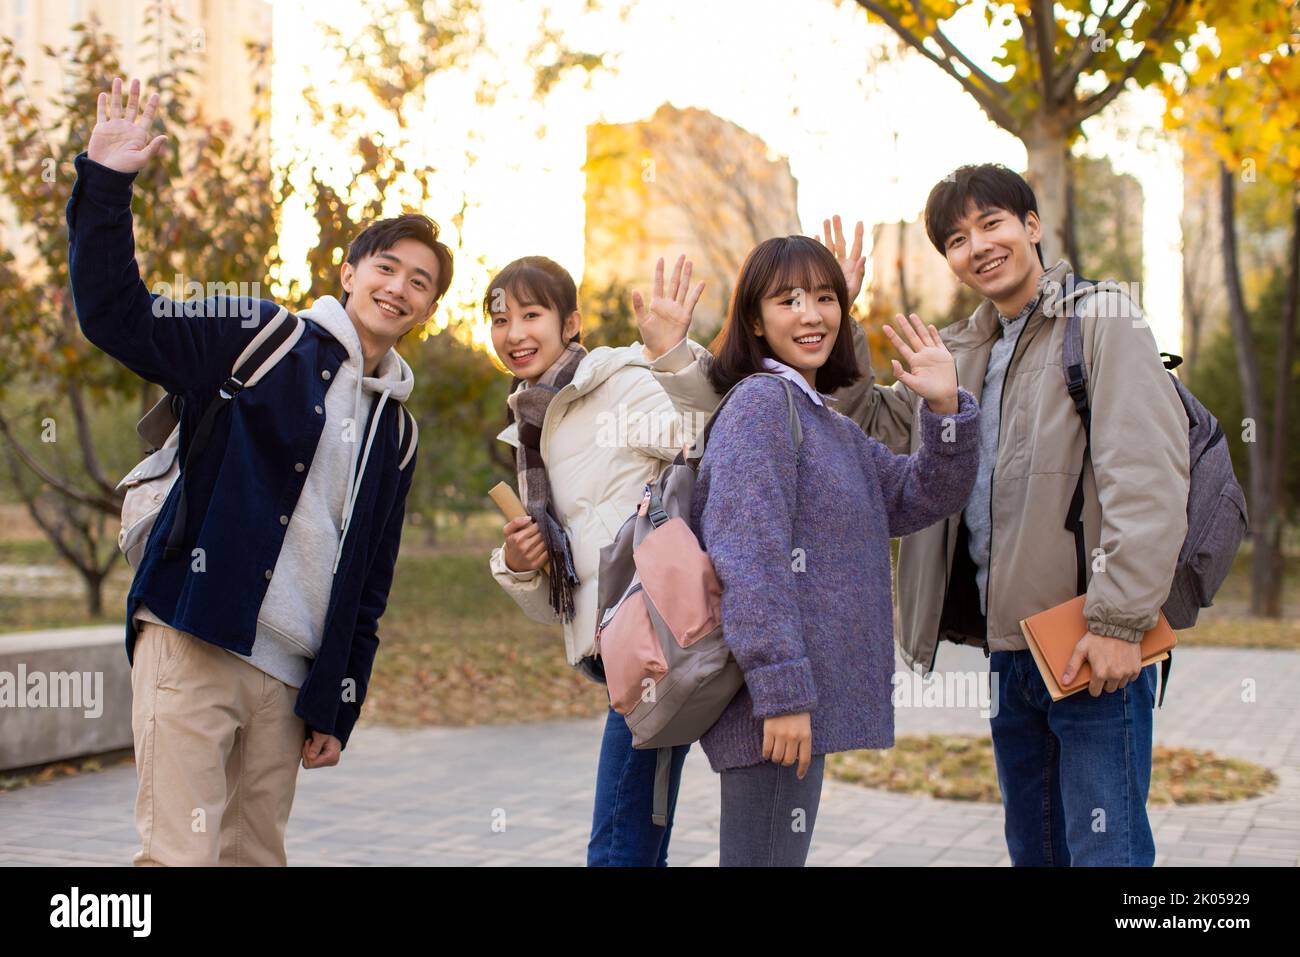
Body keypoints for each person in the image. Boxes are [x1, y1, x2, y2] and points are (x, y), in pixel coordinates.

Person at [638, 166, 1190, 867]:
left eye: (991, 223)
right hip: (1012, 650)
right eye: (957, 237)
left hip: (1090, 640)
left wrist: (1119, 621)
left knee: (1103, 851)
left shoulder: (1102, 321)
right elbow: (874, 456)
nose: (977, 245)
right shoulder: (955, 347)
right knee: (1039, 849)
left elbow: (1145, 477)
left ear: (1033, 226)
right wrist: (851, 325)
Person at [68, 78, 453, 865]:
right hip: (194, 638)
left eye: (421, 283)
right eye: (387, 267)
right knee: (179, 855)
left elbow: (369, 578)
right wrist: (105, 185)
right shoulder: (260, 335)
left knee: (253, 859)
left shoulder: (398, 430)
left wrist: (338, 702)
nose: (400, 288)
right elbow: (120, 317)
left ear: (428, 308)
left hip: (287, 679)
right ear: (348, 271)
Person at [680, 235, 978, 866]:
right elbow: (749, 558)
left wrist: (946, 409)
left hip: (796, 704)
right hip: (775, 706)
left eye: (824, 297)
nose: (811, 314)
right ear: (755, 320)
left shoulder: (825, 422)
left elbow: (920, 496)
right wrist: (781, 691)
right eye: (788, 300)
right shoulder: (761, 406)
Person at [486, 254, 702, 866]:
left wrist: (674, 357)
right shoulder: (535, 421)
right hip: (621, 651)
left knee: (617, 847)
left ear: (571, 322)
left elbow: (704, 437)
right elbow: (564, 586)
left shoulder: (620, 383)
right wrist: (520, 563)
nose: (514, 333)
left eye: (532, 314)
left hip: (659, 643)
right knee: (631, 842)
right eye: (500, 320)